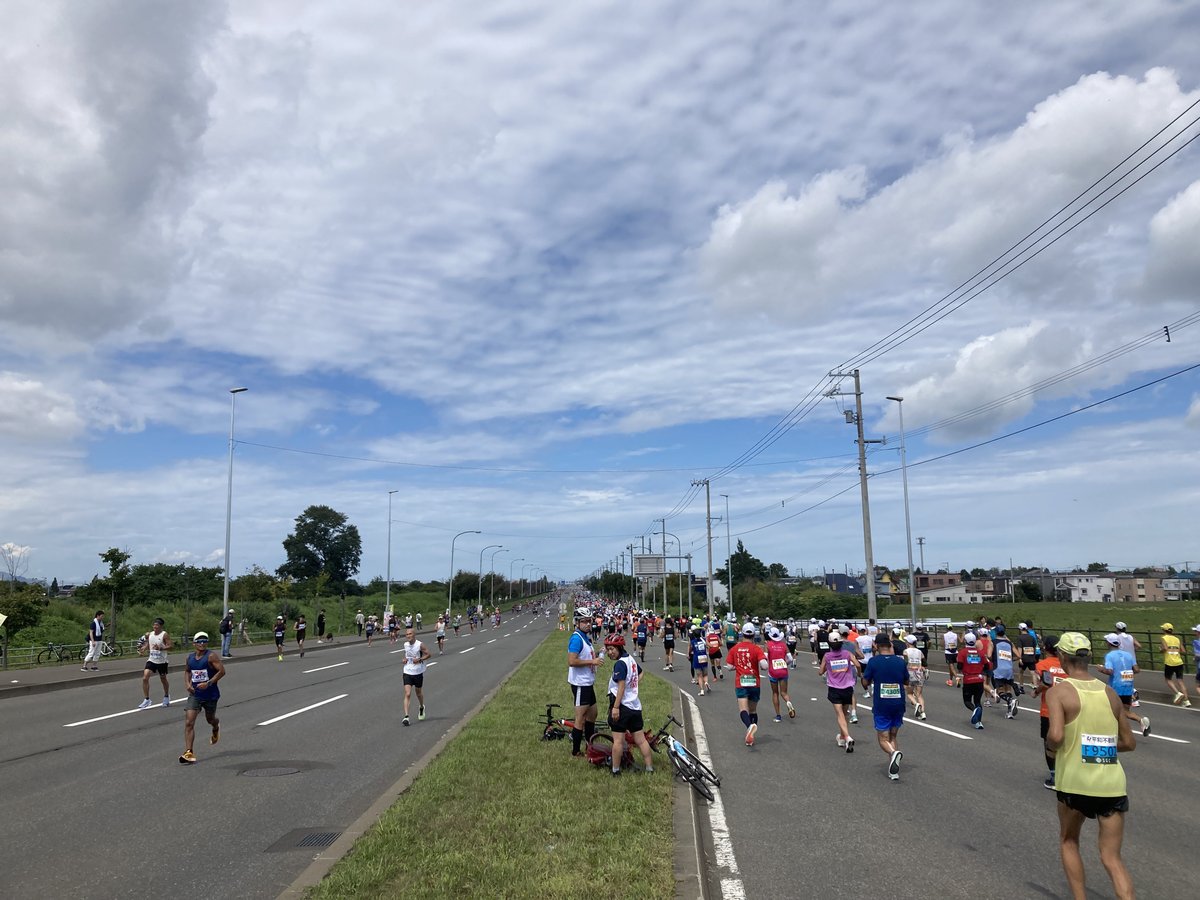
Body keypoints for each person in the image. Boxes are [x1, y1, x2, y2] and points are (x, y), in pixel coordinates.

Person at [1046, 631, 1136, 900]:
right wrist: (1104, 744)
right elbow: (1129, 742)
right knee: (1112, 858)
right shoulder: (1109, 693)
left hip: (1075, 782)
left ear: (1062, 656)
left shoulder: (1059, 692)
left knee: (1069, 840)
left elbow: (1057, 736)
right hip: (1111, 783)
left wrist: (1053, 748)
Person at [603, 634, 654, 776]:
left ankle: (615, 770)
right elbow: (641, 672)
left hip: (623, 707)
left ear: (619, 647)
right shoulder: (630, 659)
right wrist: (634, 686)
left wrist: (615, 707)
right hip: (635, 707)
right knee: (641, 740)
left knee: (618, 741)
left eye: (612, 649)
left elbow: (621, 687)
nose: (610, 652)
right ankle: (649, 768)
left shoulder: (620, 664)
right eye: (608, 649)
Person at [862, 633, 909, 780]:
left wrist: (866, 681)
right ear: (890, 645)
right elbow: (906, 682)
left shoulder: (874, 662)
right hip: (898, 703)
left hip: (882, 704)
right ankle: (893, 769)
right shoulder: (900, 662)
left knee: (883, 738)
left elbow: (865, 682)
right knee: (893, 735)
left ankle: (893, 754)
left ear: (876, 645)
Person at [179, 632, 225, 764]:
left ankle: (216, 727)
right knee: (189, 722)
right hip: (195, 694)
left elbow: (222, 671)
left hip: (210, 694)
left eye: (205, 641)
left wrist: (209, 683)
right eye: (199, 641)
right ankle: (189, 752)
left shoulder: (211, 656)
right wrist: (187, 684)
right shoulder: (190, 658)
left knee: (210, 719)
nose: (202, 643)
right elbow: (188, 671)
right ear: (194, 643)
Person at [566, 610, 604, 756]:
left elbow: (586, 655)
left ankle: (590, 745)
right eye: (584, 621)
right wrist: (592, 661)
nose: (588, 624)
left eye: (589, 621)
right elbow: (572, 661)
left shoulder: (585, 638)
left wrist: (599, 653)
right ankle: (576, 751)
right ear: (577, 623)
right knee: (580, 718)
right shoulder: (576, 639)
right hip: (581, 684)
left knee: (592, 714)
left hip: (588, 683)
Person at [1097, 633, 1149, 737]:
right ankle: (1141, 720)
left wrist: (1101, 669)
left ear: (1109, 643)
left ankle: (1110, 731)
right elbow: (1137, 669)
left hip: (1115, 687)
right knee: (1124, 711)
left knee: (1108, 709)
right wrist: (1125, 672)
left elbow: (1110, 671)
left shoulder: (1110, 656)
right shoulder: (1128, 655)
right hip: (1128, 686)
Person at [819, 627, 861, 752]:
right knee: (845, 713)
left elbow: (821, 671)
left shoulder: (827, 656)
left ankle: (847, 737)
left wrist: (826, 668)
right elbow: (858, 664)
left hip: (834, 688)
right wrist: (858, 674)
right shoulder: (847, 654)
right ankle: (842, 737)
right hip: (847, 687)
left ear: (830, 644)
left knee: (840, 714)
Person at [726, 623, 768, 746]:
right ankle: (751, 734)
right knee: (753, 710)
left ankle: (749, 727)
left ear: (741, 634)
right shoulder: (756, 649)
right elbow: (764, 666)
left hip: (741, 682)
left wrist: (737, 667)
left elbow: (728, 667)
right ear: (753, 635)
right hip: (754, 682)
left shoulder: (735, 648)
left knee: (743, 709)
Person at [1035, 635, 1067, 790]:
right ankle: (1068, 775)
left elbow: (1046, 682)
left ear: (1045, 648)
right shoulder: (1067, 665)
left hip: (1049, 710)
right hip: (1068, 709)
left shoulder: (1042, 664)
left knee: (1049, 744)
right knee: (1066, 743)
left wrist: (1036, 691)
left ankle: (1055, 777)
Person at [957, 633, 992, 729]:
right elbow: (987, 665)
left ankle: (974, 710)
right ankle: (978, 722)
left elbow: (959, 666)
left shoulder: (963, 652)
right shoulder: (980, 653)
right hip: (979, 679)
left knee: (967, 701)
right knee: (977, 701)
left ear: (965, 641)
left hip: (968, 679)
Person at [137, 617, 173, 709]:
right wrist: (143, 649)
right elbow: (148, 644)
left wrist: (161, 648)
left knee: (163, 679)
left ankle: (166, 696)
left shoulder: (164, 635)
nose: (155, 627)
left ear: (161, 626)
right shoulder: (150, 634)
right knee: (145, 677)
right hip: (152, 659)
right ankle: (147, 699)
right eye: (154, 625)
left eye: (157, 625)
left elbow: (170, 646)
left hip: (162, 661)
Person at [401, 627, 432, 725]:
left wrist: (419, 659)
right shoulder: (405, 645)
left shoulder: (420, 645)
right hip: (407, 671)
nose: (408, 636)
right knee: (408, 693)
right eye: (407, 634)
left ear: (414, 635)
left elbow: (429, 654)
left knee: (418, 693)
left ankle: (421, 706)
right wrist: (404, 660)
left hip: (418, 672)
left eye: (410, 634)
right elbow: (407, 655)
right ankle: (406, 717)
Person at [765, 627, 795, 721]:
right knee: (784, 692)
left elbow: (765, 658)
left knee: (775, 693)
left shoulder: (768, 645)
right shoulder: (783, 645)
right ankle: (788, 702)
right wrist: (785, 663)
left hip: (773, 671)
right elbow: (790, 659)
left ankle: (778, 716)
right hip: (783, 670)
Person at [1159, 623, 1191, 706]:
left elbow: (1165, 648)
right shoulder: (1177, 639)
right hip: (1179, 661)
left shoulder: (1163, 638)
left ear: (1164, 630)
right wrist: (1175, 650)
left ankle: (1178, 693)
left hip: (1169, 661)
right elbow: (1183, 651)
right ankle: (1186, 701)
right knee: (1180, 681)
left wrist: (1161, 650)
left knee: (1168, 679)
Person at [902, 635, 927, 719]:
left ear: (908, 642)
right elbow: (924, 662)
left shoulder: (906, 651)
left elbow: (904, 663)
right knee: (919, 694)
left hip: (909, 673)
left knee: (909, 693)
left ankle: (916, 704)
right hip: (919, 674)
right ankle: (923, 713)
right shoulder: (919, 651)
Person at [688, 627, 711, 696]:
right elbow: (709, 646)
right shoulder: (704, 640)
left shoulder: (693, 641)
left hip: (696, 658)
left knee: (699, 676)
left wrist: (689, 653)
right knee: (705, 674)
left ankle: (702, 690)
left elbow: (690, 649)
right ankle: (706, 682)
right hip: (704, 657)